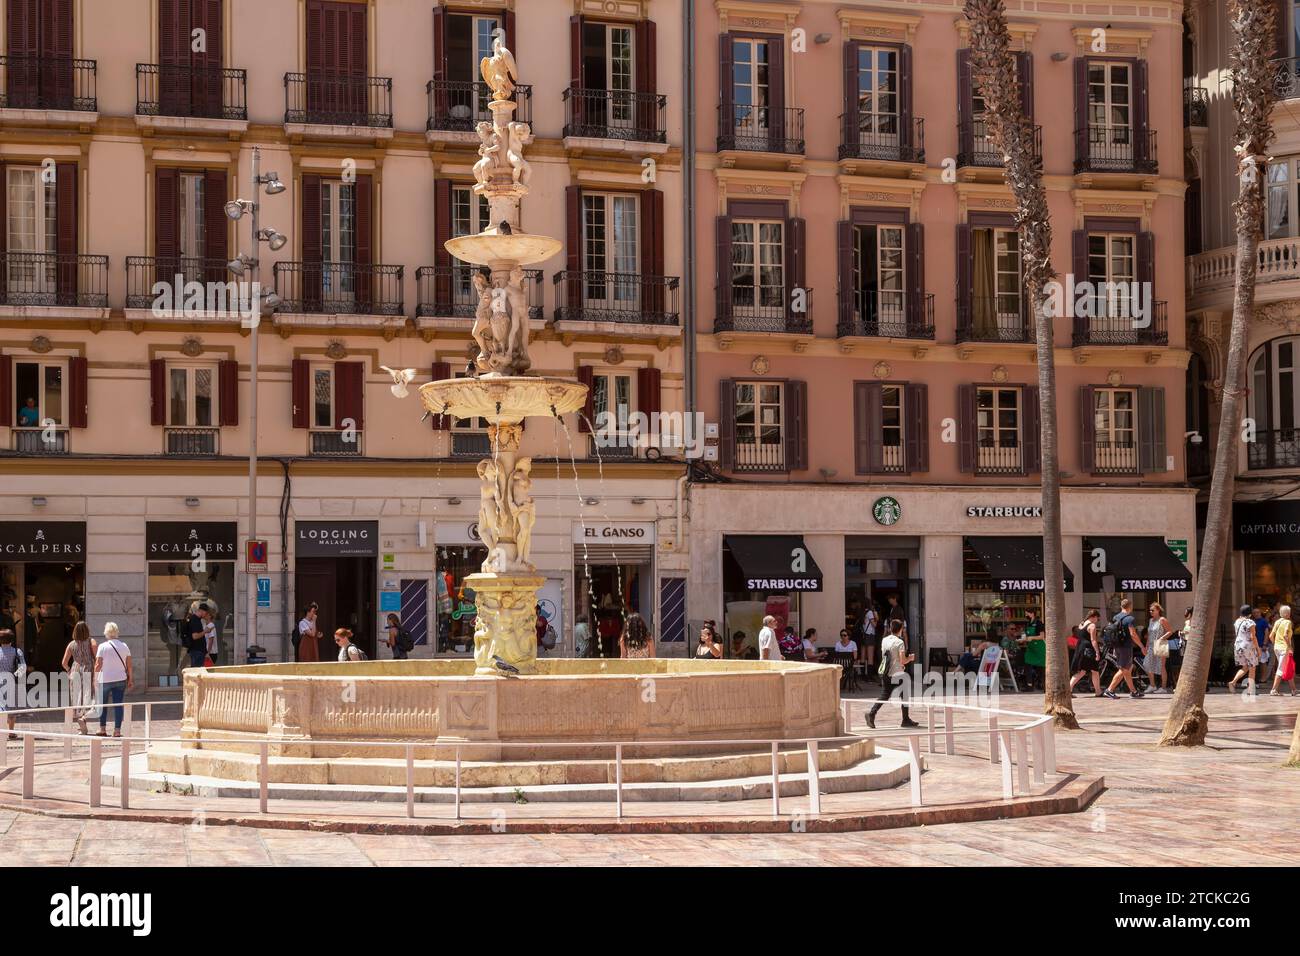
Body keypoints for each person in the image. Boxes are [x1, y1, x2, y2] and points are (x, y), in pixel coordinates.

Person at [866, 619, 919, 730]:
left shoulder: (884, 640)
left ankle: (872, 713)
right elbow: (903, 660)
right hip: (897, 673)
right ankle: (905, 719)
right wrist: (910, 658)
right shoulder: (900, 642)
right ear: (900, 629)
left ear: (890, 628)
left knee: (885, 695)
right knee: (904, 695)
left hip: (886, 672)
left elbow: (887, 656)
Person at [93, 622, 133, 737]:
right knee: (118, 705)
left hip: (104, 680)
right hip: (120, 679)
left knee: (102, 705)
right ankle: (117, 731)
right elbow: (129, 665)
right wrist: (131, 679)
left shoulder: (102, 646)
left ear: (106, 633)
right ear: (117, 632)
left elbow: (97, 665)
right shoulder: (124, 646)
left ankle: (102, 729)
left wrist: (95, 679)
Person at [1103, 598, 1146, 699]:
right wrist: (1141, 646)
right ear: (1130, 607)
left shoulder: (1115, 617)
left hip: (1117, 646)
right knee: (1124, 669)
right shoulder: (1129, 619)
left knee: (1127, 669)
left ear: (1121, 606)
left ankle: (1133, 691)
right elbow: (1133, 634)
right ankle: (1109, 690)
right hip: (1126, 647)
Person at [61, 620, 97, 734]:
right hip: (89, 670)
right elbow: (97, 658)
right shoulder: (92, 641)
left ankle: (81, 726)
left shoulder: (71, 644)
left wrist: (68, 670)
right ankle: (84, 718)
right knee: (89, 696)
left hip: (75, 671)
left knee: (77, 698)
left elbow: (64, 662)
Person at [1069, 609, 1104, 697]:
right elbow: (1093, 640)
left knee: (1083, 671)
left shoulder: (1081, 624)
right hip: (1088, 650)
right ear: (1094, 617)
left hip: (1080, 649)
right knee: (1093, 671)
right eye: (1097, 619)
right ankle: (1098, 691)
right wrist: (1097, 652)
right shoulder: (1092, 626)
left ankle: (1098, 691)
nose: (1097, 621)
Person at [1227, 604, 1261, 694]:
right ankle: (1250, 689)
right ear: (1250, 613)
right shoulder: (1250, 622)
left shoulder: (1237, 621)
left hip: (1238, 646)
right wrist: (1258, 648)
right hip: (1248, 646)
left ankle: (1233, 682)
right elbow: (1253, 636)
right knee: (1252, 667)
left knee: (1245, 667)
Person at [0, 629, 25, 739]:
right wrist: (14, 675)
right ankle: (11, 731)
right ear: (12, 640)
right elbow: (23, 667)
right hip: (11, 682)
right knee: (11, 707)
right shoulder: (17, 651)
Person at [1143, 602, 1173, 693]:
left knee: (1161, 666)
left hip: (1161, 644)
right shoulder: (1150, 621)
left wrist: (1161, 638)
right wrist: (1146, 645)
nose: (1150, 611)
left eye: (1153, 610)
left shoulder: (1162, 619)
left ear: (1158, 610)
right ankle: (1152, 685)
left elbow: (1170, 631)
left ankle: (1163, 688)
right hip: (1152, 644)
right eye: (1150, 610)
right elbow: (1149, 634)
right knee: (1147, 664)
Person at [1268, 604, 1296, 696]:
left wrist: (1275, 644)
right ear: (1287, 613)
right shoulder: (1288, 622)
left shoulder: (1277, 622)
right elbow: (1285, 635)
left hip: (1277, 648)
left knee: (1286, 667)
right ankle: (1274, 690)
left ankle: (1293, 690)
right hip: (1284, 648)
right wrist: (1289, 647)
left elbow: (1271, 636)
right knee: (1281, 669)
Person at [1022, 609, 1046, 691]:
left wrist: (1031, 637)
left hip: (1039, 648)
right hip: (1031, 648)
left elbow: (1042, 636)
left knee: (1041, 668)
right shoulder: (1028, 623)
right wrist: (1023, 639)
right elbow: (1026, 635)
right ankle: (1029, 686)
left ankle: (1044, 686)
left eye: (1027, 614)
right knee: (1027, 665)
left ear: (1032, 613)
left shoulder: (1039, 623)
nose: (1026, 616)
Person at [861, 602, 879, 677]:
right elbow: (874, 625)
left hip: (863, 635)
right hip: (870, 635)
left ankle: (862, 675)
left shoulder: (862, 612)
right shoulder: (870, 612)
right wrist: (876, 617)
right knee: (870, 657)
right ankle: (869, 676)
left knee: (863, 656)